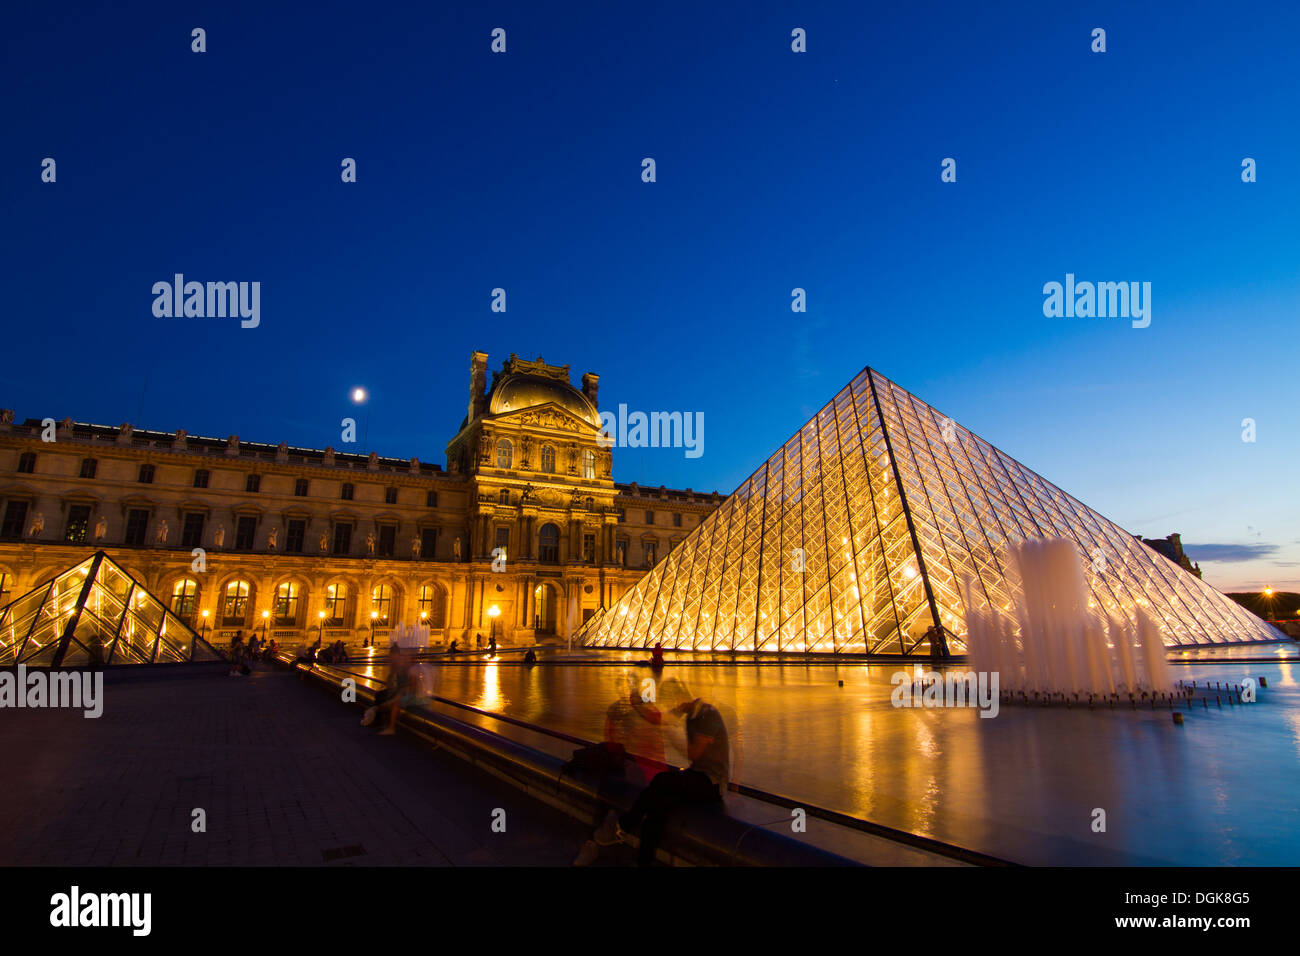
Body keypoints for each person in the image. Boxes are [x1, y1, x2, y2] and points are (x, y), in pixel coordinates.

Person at [591, 679, 730, 867]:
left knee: (661, 781)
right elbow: (657, 719)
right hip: (696, 776)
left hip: (712, 783)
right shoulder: (690, 713)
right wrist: (638, 705)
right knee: (658, 806)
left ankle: (623, 827)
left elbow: (694, 754)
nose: (673, 707)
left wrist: (670, 731)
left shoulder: (708, 716)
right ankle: (643, 859)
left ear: (682, 698)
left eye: (673, 702)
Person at [377, 643, 414, 736]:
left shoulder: (407, 669)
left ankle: (391, 727)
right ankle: (383, 722)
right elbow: (391, 680)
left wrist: (394, 695)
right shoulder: (397, 666)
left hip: (404, 693)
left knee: (393, 702)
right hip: (400, 691)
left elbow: (407, 687)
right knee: (381, 695)